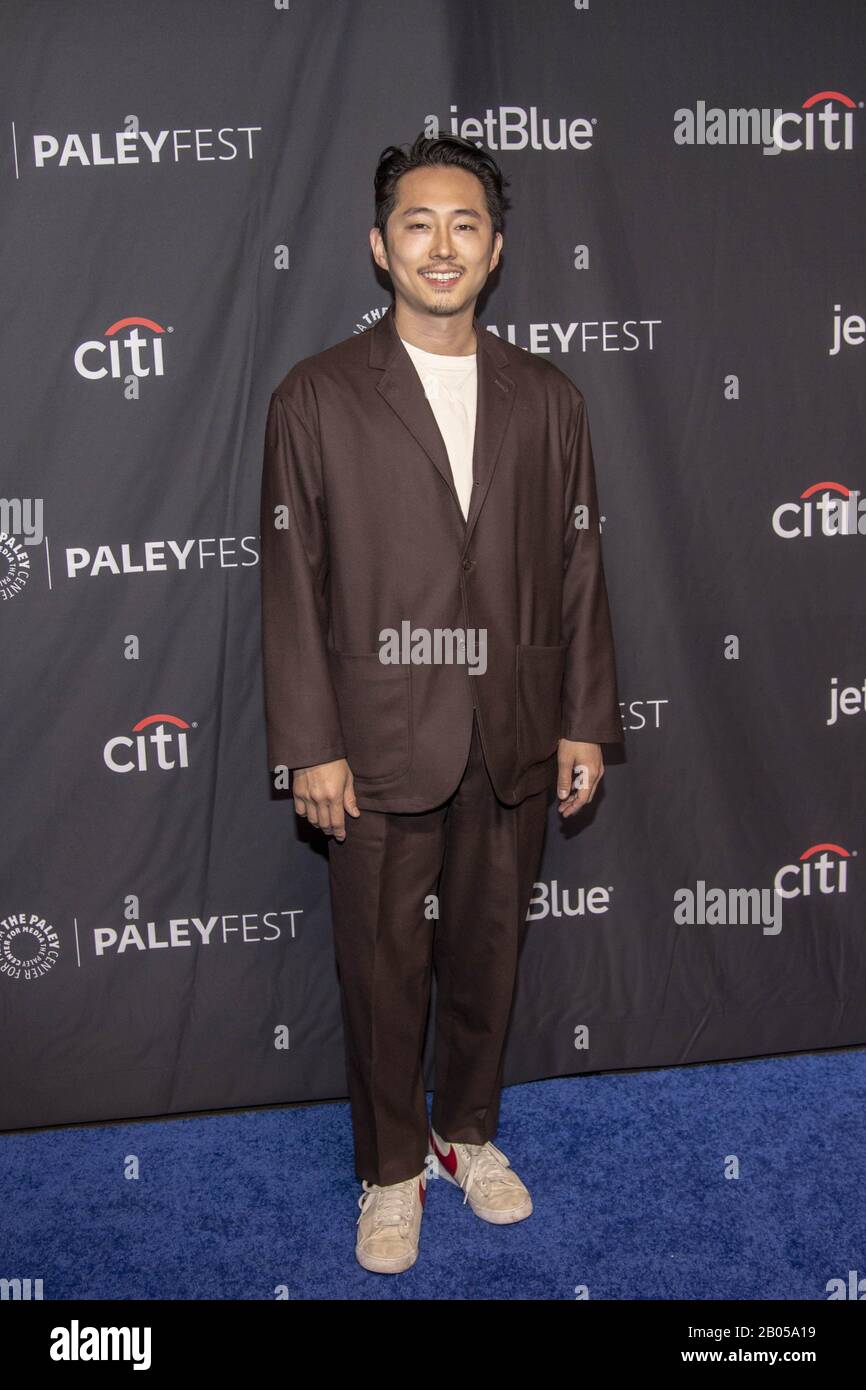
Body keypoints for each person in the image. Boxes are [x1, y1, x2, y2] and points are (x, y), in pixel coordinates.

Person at [259, 132, 624, 1274]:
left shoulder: (549, 396)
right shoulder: (314, 396)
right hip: (373, 740)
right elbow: (291, 581)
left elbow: (576, 569)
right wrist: (307, 743)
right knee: (379, 966)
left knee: (486, 955)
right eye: (417, 223)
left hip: (511, 731)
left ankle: (465, 1134)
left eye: (464, 224)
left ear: (496, 249)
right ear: (379, 247)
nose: (440, 244)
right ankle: (389, 1168)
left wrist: (583, 717)